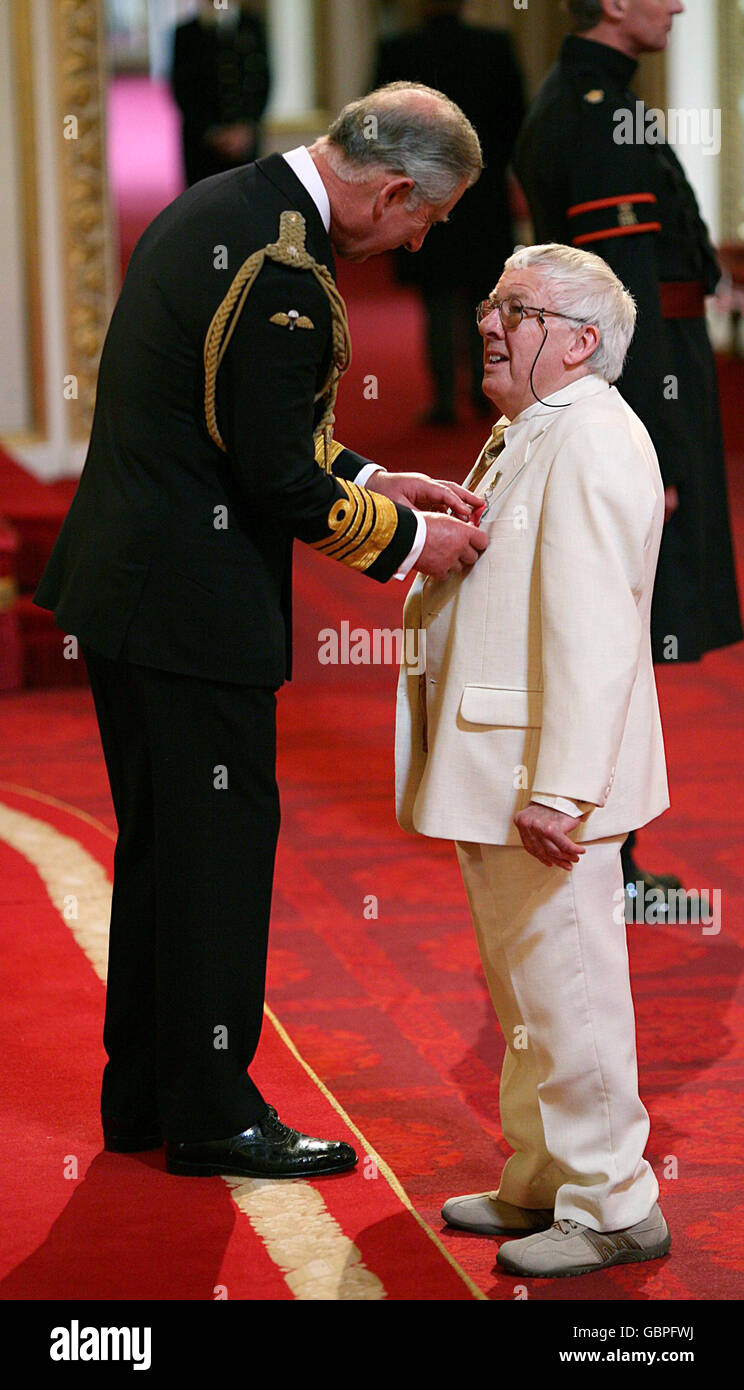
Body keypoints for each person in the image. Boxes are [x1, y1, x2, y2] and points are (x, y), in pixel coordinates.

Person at [35, 83, 488, 1181]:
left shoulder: (232, 208)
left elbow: (243, 418)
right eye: (426, 219)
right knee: (213, 861)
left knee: (163, 853)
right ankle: (211, 1109)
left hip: (133, 591)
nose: (419, 240)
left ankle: (146, 1095)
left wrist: (380, 476)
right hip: (191, 608)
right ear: (390, 189)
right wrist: (405, 542)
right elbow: (276, 474)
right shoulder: (284, 266)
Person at [396, 243, 671, 1277]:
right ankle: (545, 1177)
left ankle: (617, 1203)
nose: (486, 322)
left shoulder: (595, 435)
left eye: (515, 309)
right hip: (500, 764)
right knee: (524, 991)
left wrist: (562, 785)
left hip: (545, 778)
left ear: (581, 341)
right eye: (493, 302)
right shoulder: (534, 426)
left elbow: (598, 629)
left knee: (573, 988)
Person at [513, 0, 742, 900]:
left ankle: (612, 850)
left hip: (644, 393)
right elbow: (622, 309)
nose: (681, 3)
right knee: (616, 636)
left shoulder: (593, 95)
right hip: (648, 398)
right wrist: (661, 457)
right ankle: (607, 854)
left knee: (620, 633)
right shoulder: (600, 110)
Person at [374, 0, 525, 424]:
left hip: (421, 194)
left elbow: (381, 130)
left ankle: (444, 397)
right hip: (483, 194)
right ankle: (485, 390)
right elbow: (517, 120)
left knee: (436, 296)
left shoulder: (398, 50)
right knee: (487, 296)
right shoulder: (494, 47)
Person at [171, 0, 271, 187]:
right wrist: (213, 133)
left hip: (244, 140)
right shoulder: (186, 34)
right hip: (202, 143)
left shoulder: (252, 26)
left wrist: (245, 128)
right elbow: (182, 89)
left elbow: (263, 81)